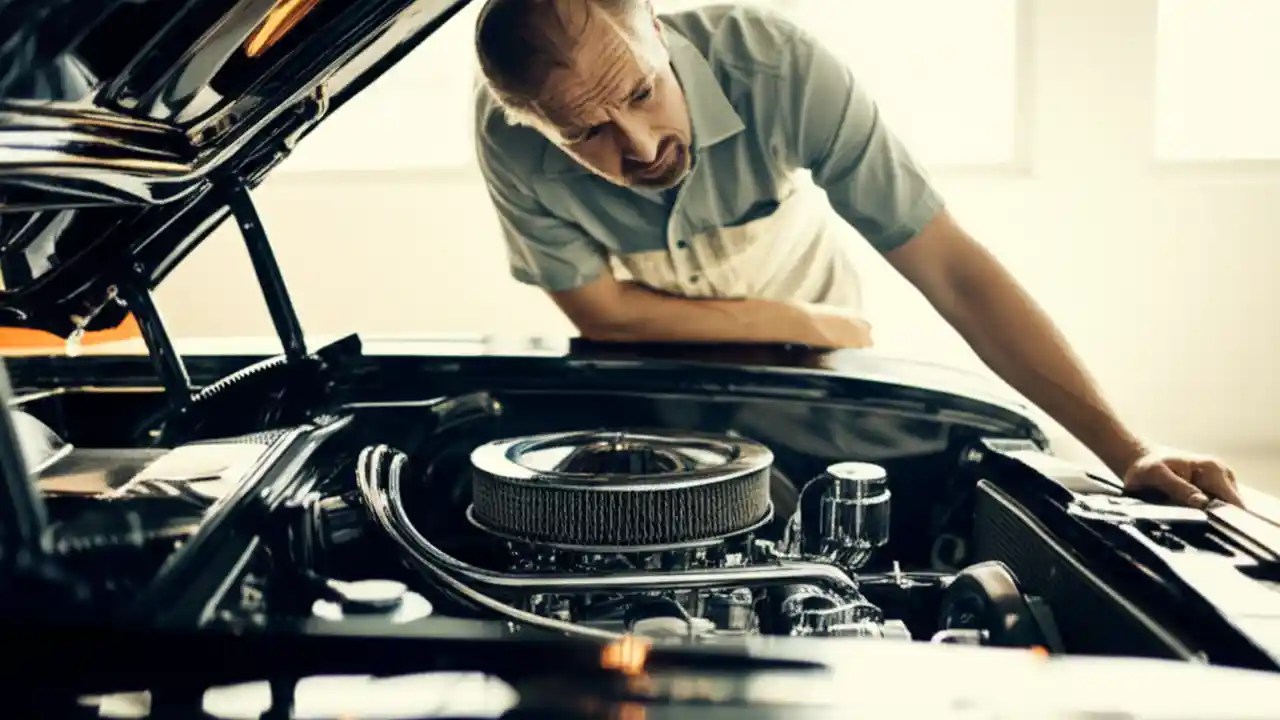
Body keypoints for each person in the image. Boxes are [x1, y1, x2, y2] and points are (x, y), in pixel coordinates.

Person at [470, 0, 1243, 510]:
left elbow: (953, 270)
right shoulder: (505, 137)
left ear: (655, 25)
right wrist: (799, 322)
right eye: (585, 133)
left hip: (824, 383)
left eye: (642, 92)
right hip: (672, 384)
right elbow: (604, 318)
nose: (641, 148)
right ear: (531, 122)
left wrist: (1128, 452)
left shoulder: (778, 67)